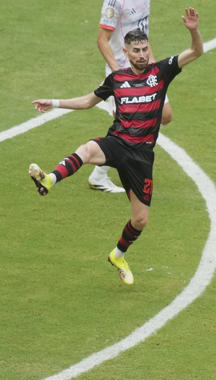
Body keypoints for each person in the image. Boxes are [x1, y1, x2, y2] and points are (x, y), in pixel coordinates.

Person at [28, 7, 203, 285]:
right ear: (126, 52)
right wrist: (54, 102)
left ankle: (118, 255)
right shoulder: (117, 79)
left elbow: (195, 52)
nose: (143, 55)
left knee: (140, 221)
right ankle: (48, 179)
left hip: (142, 157)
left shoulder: (161, 72)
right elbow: (88, 101)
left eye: (145, 49)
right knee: (87, 150)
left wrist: (193, 30)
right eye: (137, 51)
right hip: (118, 143)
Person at [91, 0, 173, 193]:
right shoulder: (115, 2)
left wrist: (153, 67)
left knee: (166, 115)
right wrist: (118, 74)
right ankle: (100, 174)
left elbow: (141, 33)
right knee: (128, 125)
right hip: (124, 70)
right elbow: (102, 40)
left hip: (144, 67)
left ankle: (124, 156)